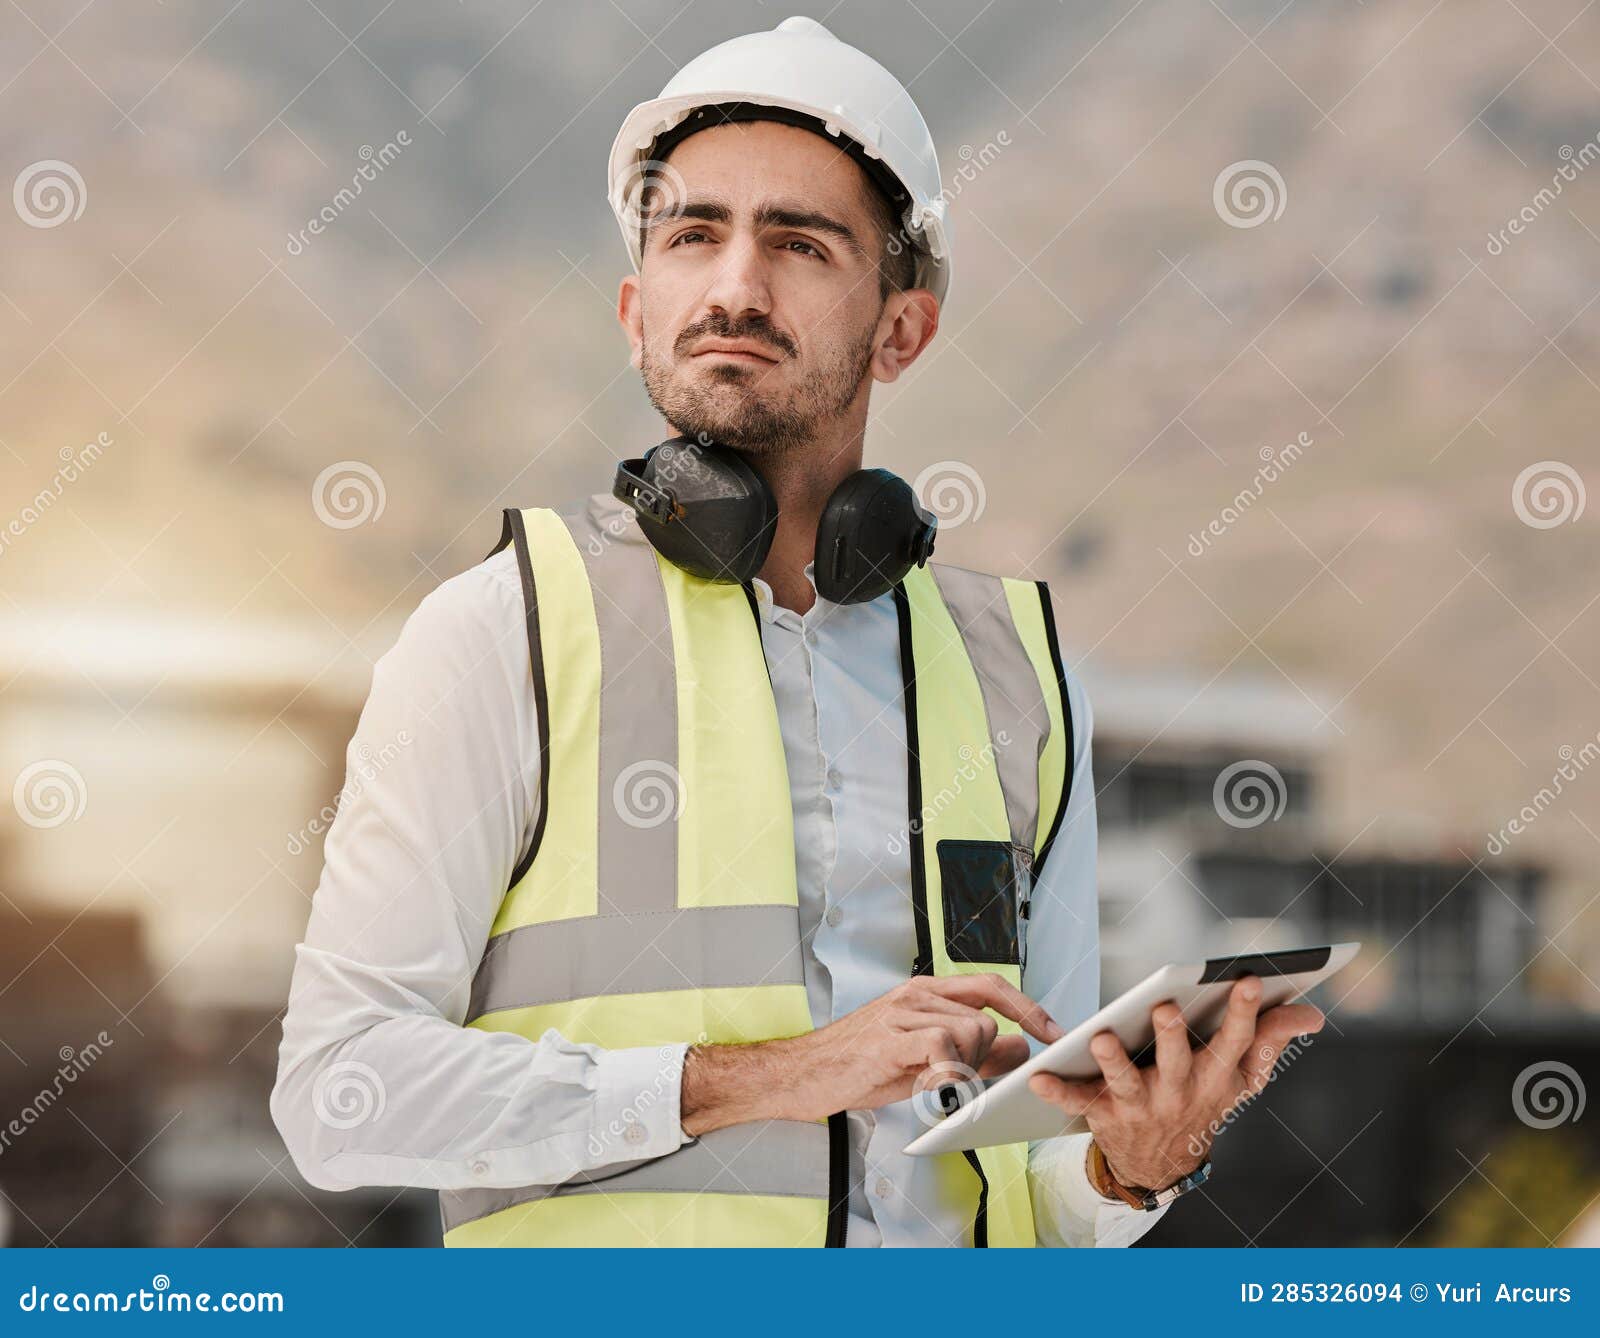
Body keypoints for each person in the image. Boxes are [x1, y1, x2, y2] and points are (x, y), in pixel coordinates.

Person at [271, 15, 1323, 1248]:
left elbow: (1034, 1188)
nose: (732, 287)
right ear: (633, 306)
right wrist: (767, 1075)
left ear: (900, 330)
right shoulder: (500, 631)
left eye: (798, 244)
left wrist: (1132, 1170)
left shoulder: (1022, 680)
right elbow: (335, 1094)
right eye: (692, 234)